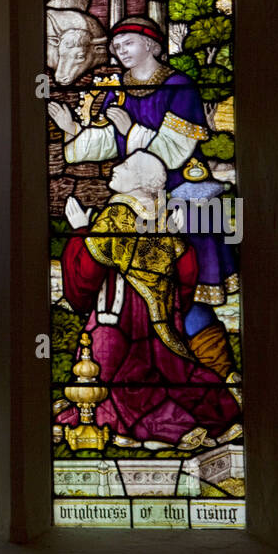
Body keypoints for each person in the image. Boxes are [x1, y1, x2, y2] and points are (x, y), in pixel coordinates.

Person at [48, 15, 238, 377]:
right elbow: (107, 141)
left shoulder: (179, 86)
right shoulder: (118, 87)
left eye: (129, 43)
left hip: (182, 194)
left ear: (152, 45)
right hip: (137, 196)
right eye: (117, 47)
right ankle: (149, 367)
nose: (121, 51)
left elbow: (174, 150)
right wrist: (72, 130)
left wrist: (131, 131)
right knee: (137, 286)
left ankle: (218, 370)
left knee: (188, 289)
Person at [55, 151, 241, 451]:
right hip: (160, 319)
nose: (115, 167)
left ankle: (172, 428)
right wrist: (167, 308)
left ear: (141, 182)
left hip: (115, 314)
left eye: (125, 166)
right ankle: (212, 418)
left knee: (114, 376)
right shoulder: (163, 217)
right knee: (172, 372)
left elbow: (87, 273)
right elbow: (186, 273)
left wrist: (78, 231)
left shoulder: (117, 215)